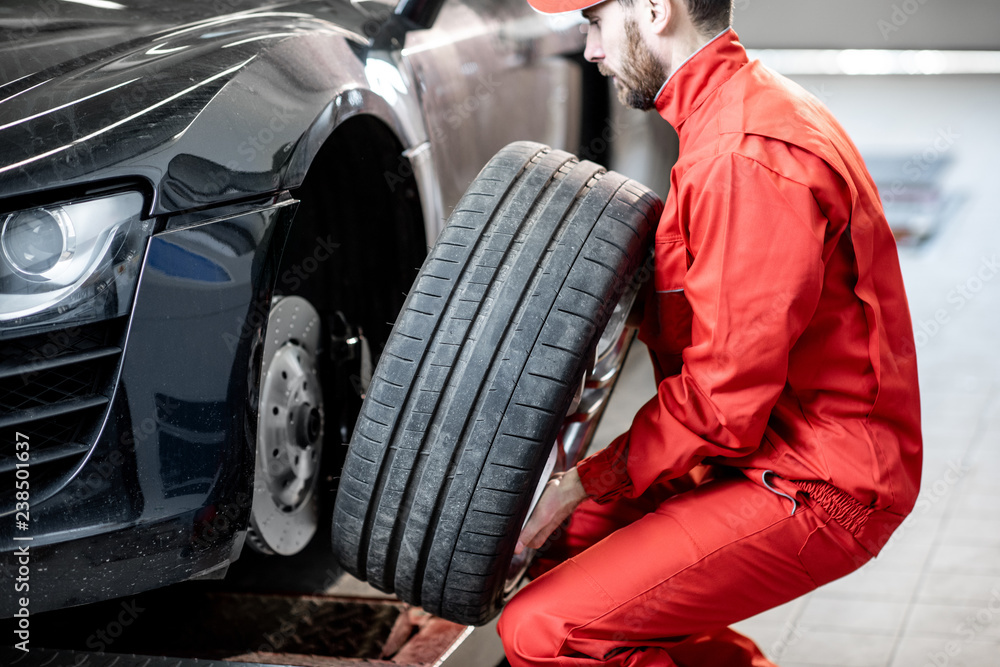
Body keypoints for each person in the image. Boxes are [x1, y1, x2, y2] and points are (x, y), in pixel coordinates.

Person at [497, 0, 923, 665]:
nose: (591, 52)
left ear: (653, 10)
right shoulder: (727, 114)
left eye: (593, 23)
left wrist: (586, 479)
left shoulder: (742, 156)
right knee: (557, 545)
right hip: (755, 449)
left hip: (816, 484)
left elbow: (723, 401)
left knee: (543, 627)